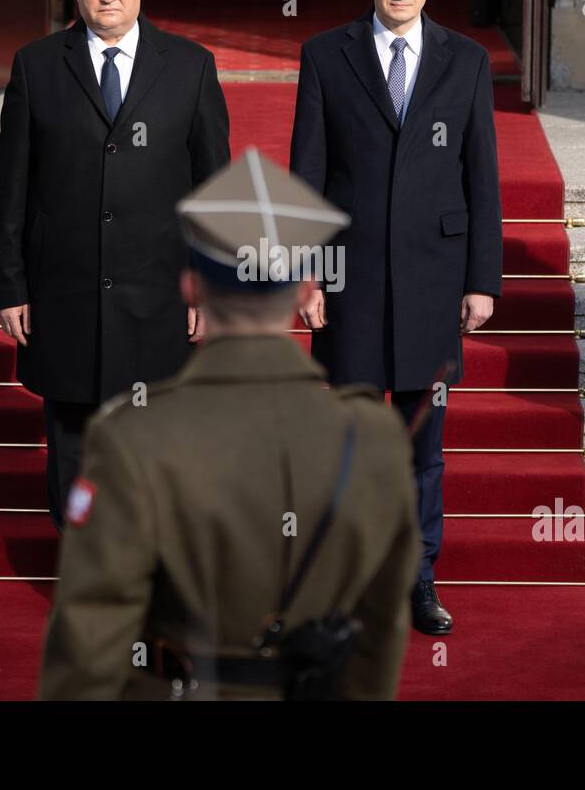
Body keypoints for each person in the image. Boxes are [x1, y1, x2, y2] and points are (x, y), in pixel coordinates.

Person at [39, 151, 420, 700]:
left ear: (191, 288)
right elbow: (379, 632)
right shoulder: (371, 437)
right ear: (304, 293)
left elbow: (87, 648)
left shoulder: (132, 437)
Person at [289, 0, 502, 635]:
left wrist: (482, 281)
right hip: (348, 285)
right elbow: (308, 174)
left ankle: (418, 580)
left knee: (422, 447)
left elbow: (481, 178)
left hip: (434, 286)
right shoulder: (325, 55)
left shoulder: (467, 61)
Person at [0, 0, 230, 528]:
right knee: (71, 447)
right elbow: (11, 186)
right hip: (63, 293)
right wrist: (10, 286)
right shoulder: (37, 66)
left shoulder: (191, 67)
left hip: (158, 295)